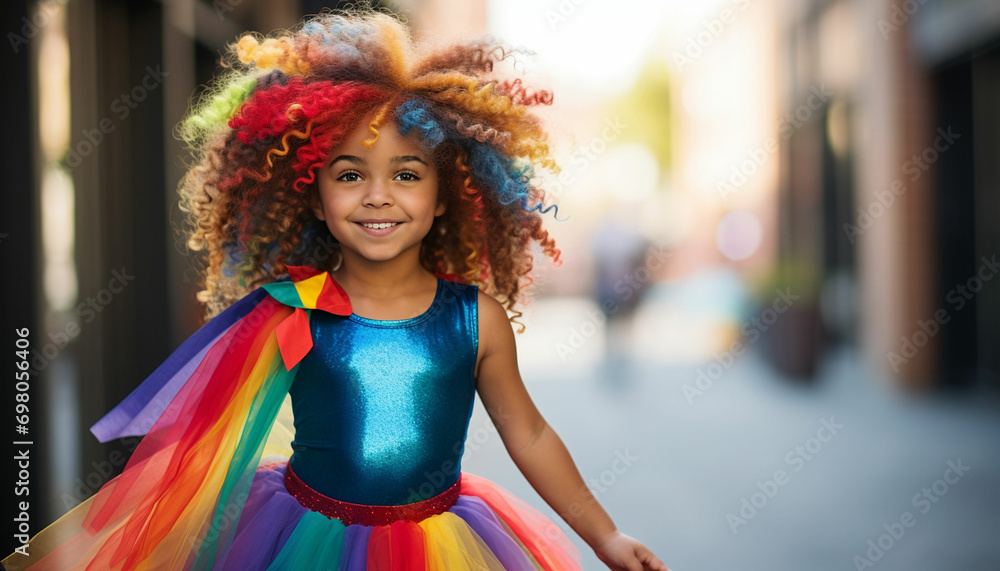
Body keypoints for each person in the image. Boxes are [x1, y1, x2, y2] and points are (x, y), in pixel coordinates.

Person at [3, 8, 667, 571]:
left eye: (406, 174)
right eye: (350, 175)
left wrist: (604, 534)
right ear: (315, 199)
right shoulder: (290, 311)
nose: (377, 195)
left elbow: (531, 434)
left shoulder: (475, 319)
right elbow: (213, 439)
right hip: (303, 537)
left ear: (446, 197)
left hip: (442, 544)